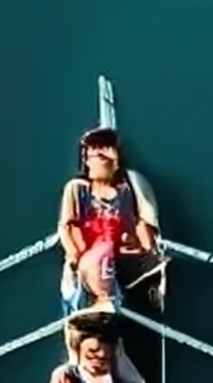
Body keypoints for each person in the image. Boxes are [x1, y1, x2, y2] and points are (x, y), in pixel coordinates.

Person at [58, 127, 158, 311]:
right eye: (93, 153)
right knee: (99, 257)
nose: (97, 158)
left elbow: (145, 231)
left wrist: (144, 248)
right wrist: (78, 259)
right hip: (90, 266)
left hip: (126, 263)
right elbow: (69, 230)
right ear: (86, 160)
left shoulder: (131, 187)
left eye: (104, 152)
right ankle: (96, 304)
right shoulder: (77, 190)